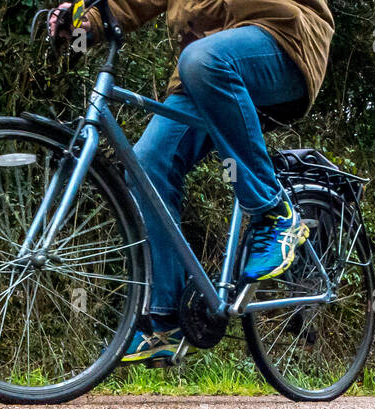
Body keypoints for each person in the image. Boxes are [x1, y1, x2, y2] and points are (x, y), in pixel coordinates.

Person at [49, 1, 334, 364]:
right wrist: (83, 21)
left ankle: (275, 214)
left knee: (203, 60)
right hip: (204, 72)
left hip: (283, 39)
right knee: (149, 162)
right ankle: (166, 320)